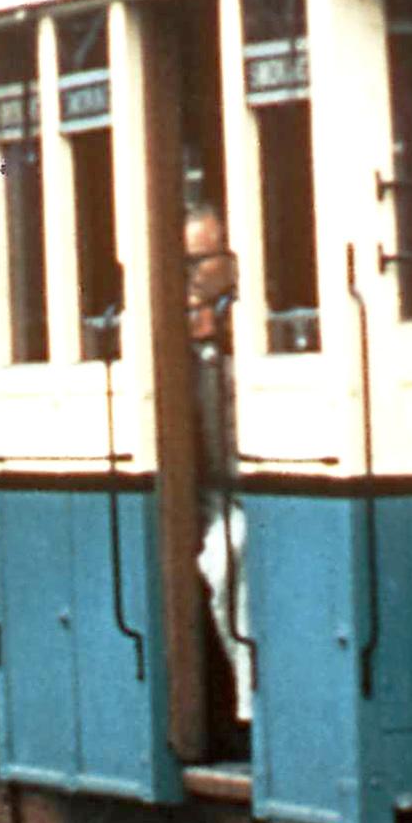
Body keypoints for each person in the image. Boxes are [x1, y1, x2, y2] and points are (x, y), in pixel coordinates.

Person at [184, 202, 252, 735]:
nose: (191, 278)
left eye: (199, 262)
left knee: (230, 556)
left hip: (255, 483)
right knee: (223, 558)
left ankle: (253, 701)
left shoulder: (251, 313)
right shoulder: (183, 328)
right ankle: (246, 697)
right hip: (212, 493)